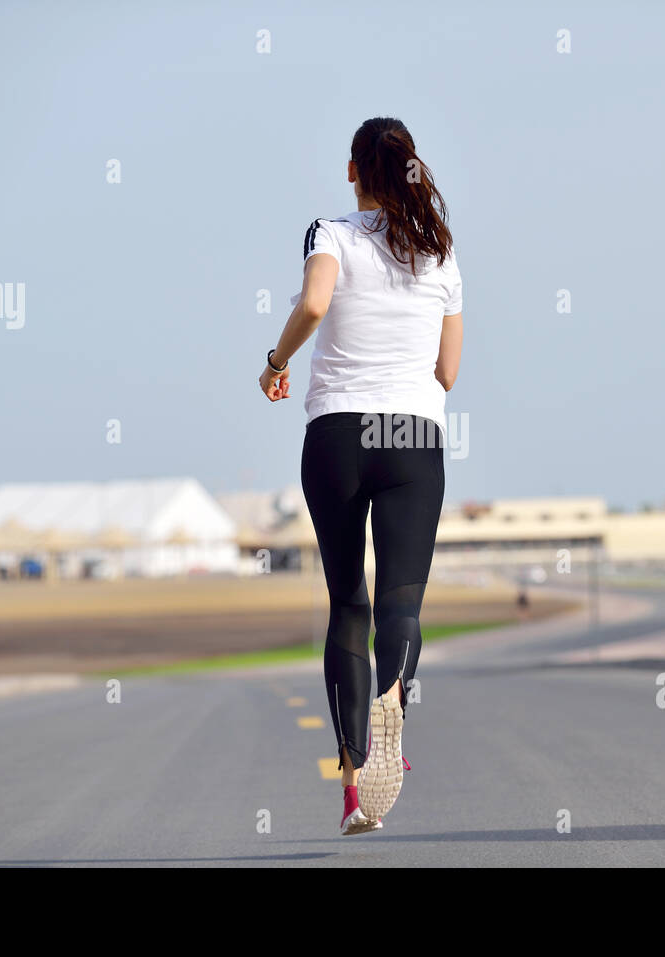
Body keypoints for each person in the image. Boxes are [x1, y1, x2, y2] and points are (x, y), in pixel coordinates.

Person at [258, 117, 463, 835]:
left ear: (353, 172)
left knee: (348, 602)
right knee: (400, 604)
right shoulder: (440, 252)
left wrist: (276, 362)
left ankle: (351, 787)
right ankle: (394, 701)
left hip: (339, 433)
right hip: (412, 432)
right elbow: (448, 371)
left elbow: (314, 303)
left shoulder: (331, 233)